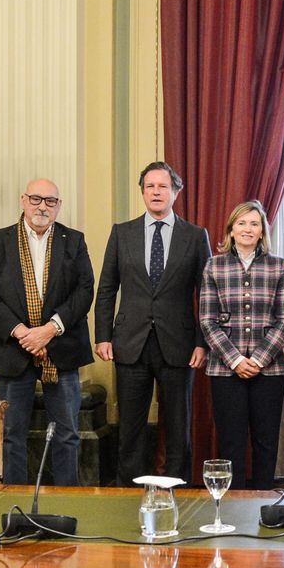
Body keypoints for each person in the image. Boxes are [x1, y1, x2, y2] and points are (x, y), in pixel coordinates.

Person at [95, 162, 211, 485]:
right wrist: (103, 336)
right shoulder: (122, 232)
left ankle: (179, 494)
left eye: (163, 186)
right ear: (142, 192)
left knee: (178, 427)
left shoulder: (195, 236)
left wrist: (202, 342)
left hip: (180, 346)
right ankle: (128, 496)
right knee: (130, 428)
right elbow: (107, 288)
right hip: (130, 344)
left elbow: (207, 294)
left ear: (176, 192)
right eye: (150, 186)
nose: (157, 192)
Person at [0, 179, 94, 486]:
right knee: (13, 435)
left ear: (59, 206)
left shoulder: (75, 240)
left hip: (62, 347)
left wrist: (49, 330)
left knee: (67, 434)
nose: (42, 206)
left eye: (50, 201)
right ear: (23, 200)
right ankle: (16, 504)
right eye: (36, 199)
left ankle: (67, 503)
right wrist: (23, 334)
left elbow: (84, 291)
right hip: (13, 350)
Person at [198, 201, 284, 490]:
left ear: (263, 231)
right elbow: (207, 320)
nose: (248, 229)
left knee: (266, 440)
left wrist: (259, 359)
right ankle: (234, 504)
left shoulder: (278, 266)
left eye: (254, 224)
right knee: (231, 440)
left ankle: (264, 500)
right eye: (242, 223)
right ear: (231, 229)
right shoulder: (215, 265)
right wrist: (237, 360)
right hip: (226, 371)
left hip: (270, 370)